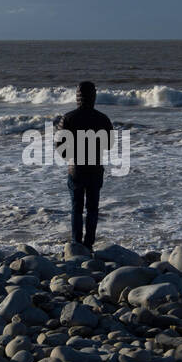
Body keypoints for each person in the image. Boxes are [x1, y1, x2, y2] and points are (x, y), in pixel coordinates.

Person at [54, 81, 114, 248]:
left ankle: (76, 243)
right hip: (95, 168)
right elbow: (110, 145)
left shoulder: (68, 118)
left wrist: (70, 157)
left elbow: (59, 147)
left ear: (77, 96)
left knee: (77, 208)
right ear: (94, 96)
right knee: (93, 209)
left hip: (76, 168)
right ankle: (89, 244)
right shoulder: (102, 118)